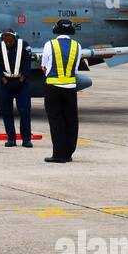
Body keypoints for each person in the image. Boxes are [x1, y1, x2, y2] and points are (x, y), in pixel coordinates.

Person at [41, 19, 82, 163]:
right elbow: (76, 69)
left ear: (56, 30)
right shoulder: (77, 46)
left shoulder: (49, 44)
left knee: (56, 120)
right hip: (71, 88)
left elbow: (44, 66)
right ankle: (68, 153)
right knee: (71, 120)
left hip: (53, 88)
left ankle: (58, 154)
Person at [0, 28, 32, 148]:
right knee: (6, 112)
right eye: (5, 40)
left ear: (14, 37)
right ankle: (11, 139)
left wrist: (22, 79)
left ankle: (26, 139)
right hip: (6, 83)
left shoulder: (24, 45)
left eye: (9, 40)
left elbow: (27, 63)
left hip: (21, 83)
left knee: (24, 111)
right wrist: (3, 80)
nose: (7, 42)